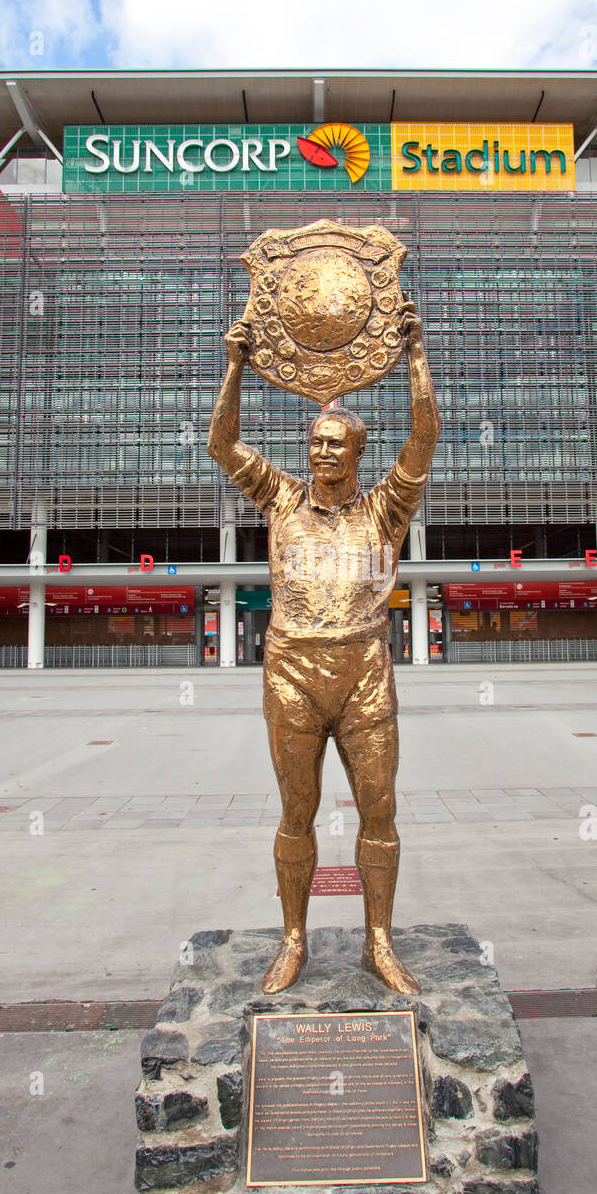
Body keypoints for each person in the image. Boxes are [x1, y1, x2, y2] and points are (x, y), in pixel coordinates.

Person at [207, 300, 440, 994]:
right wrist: (235, 366)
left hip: (364, 670)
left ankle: (378, 942)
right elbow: (223, 445)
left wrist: (415, 357)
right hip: (293, 672)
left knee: (380, 812)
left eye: (336, 443)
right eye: (315, 442)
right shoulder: (281, 500)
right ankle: (293, 939)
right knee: (295, 813)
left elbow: (424, 438)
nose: (322, 451)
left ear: (358, 453)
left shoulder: (385, 509)